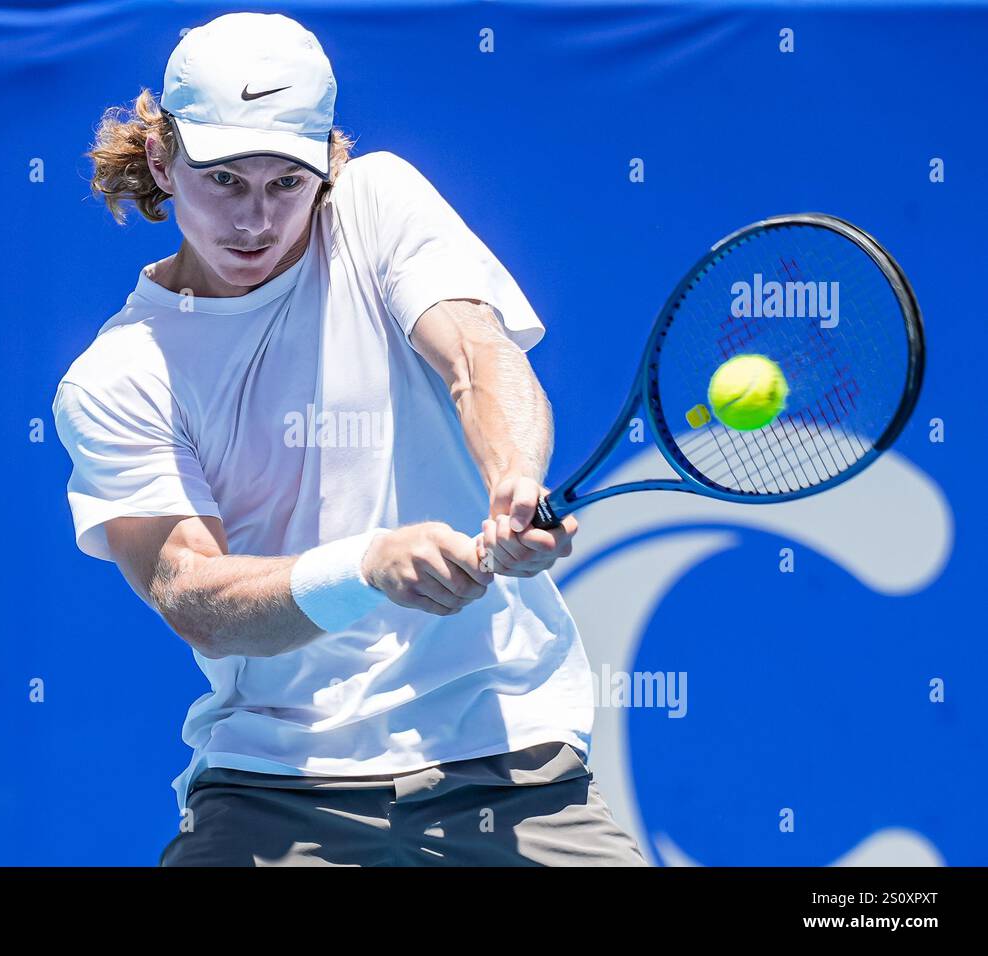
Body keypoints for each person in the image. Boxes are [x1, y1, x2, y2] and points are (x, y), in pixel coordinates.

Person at [52, 11, 645, 867]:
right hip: (272, 785)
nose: (253, 220)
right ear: (160, 158)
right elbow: (193, 597)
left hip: (510, 763)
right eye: (223, 179)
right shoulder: (117, 376)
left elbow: (477, 357)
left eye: (284, 184)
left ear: (327, 166)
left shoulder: (377, 203)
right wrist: (366, 568)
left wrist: (515, 479)